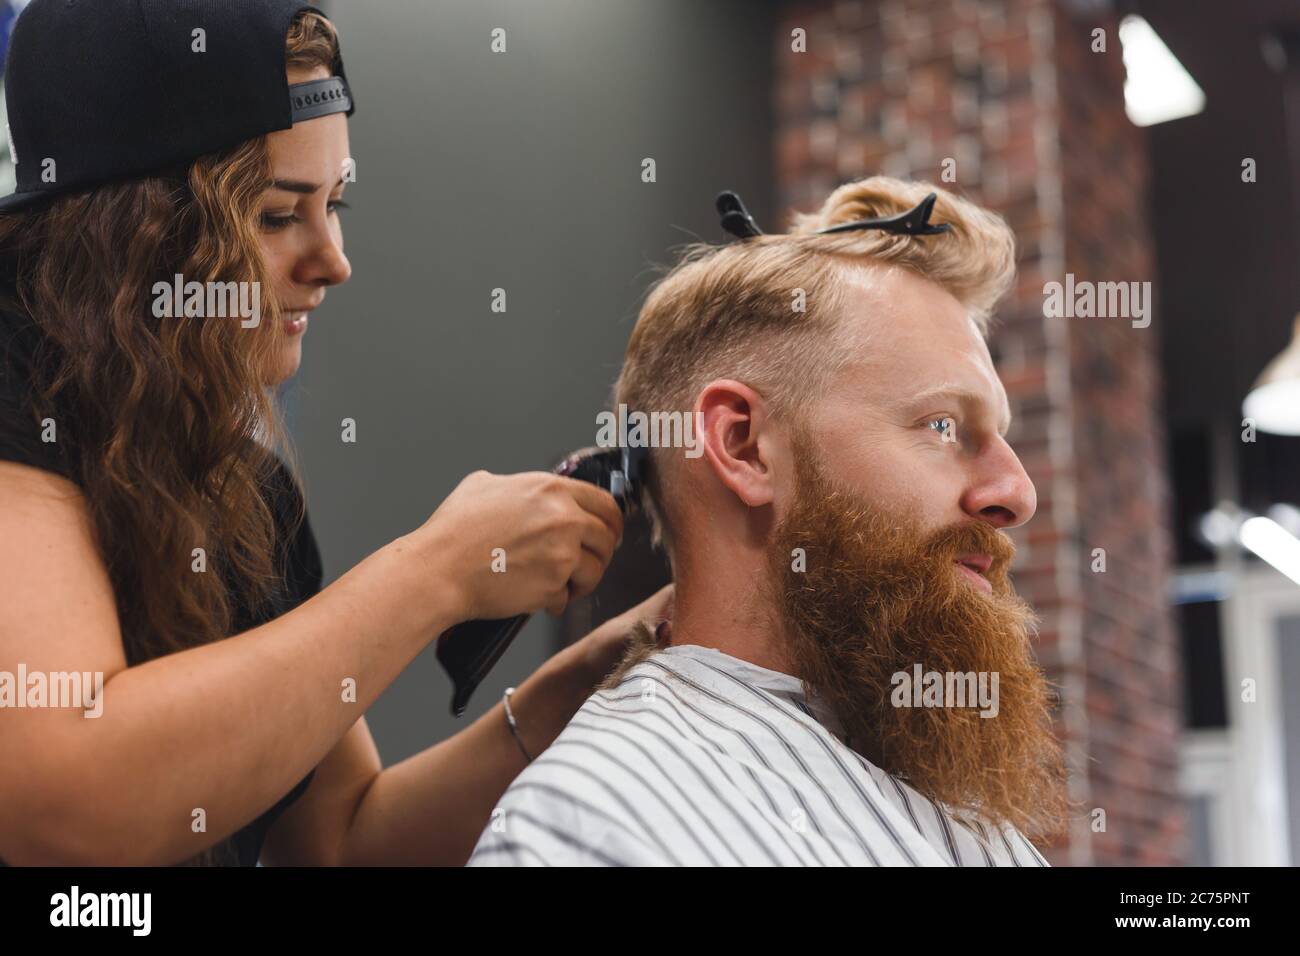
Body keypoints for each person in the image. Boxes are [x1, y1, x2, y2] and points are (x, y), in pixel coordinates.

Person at [0, 0, 670, 866]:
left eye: (335, 202)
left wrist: (587, 678)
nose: (334, 259)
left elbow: (347, 838)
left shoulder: (244, 492)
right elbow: (63, 799)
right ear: (136, 233)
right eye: (279, 216)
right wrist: (436, 572)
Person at [469, 177, 1072, 867]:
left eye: (999, 434)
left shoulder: (962, 813)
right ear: (743, 446)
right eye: (941, 424)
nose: (1016, 492)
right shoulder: (594, 826)